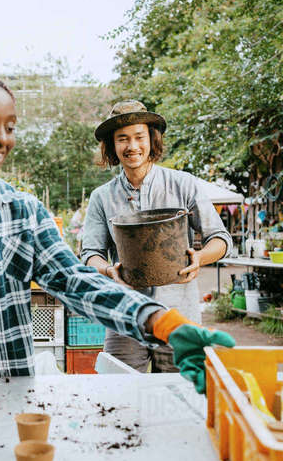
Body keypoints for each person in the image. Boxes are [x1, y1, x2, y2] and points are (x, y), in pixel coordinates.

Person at [0, 76, 234, 391]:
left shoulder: (22, 214)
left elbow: (78, 281)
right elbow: (94, 257)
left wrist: (165, 323)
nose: (1, 139)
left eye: (10, 127)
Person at [81, 100, 233, 373]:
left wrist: (199, 257)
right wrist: (107, 270)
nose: (132, 146)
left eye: (139, 137)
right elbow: (89, 253)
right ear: (112, 146)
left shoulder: (183, 184)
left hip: (178, 313)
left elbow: (220, 238)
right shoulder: (102, 197)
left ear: (152, 139)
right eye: (122, 139)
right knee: (119, 397)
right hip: (125, 315)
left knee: (180, 398)